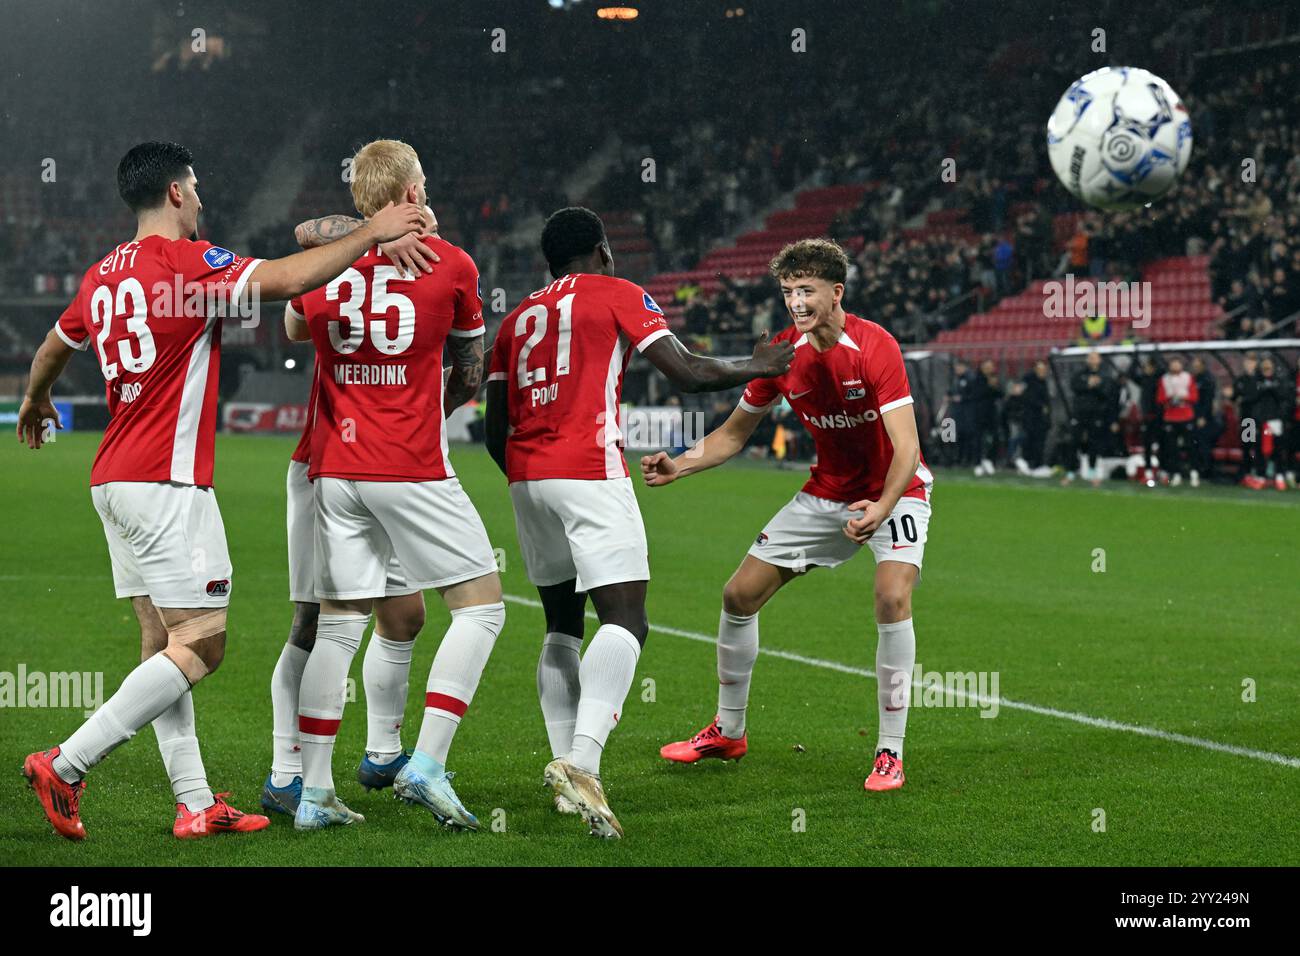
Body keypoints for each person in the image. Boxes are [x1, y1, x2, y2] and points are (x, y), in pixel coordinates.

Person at [16, 141, 423, 841]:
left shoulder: (101, 275)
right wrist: (369, 233)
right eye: (196, 187)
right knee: (201, 648)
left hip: (113, 480)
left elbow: (53, 346)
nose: (202, 199)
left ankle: (195, 802)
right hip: (167, 483)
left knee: (162, 647)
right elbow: (291, 281)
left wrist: (34, 400)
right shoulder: (186, 264)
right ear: (176, 193)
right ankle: (69, 761)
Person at [483, 207, 793, 838]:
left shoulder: (515, 319)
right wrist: (758, 366)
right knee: (626, 618)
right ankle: (584, 762)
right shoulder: (618, 293)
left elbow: (493, 424)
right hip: (589, 469)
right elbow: (687, 373)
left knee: (562, 625)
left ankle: (567, 770)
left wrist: (526, 475)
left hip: (525, 476)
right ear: (601, 249)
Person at [643, 238, 933, 794]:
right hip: (825, 495)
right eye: (788, 291)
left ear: (836, 292)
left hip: (896, 492)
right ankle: (729, 730)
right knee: (738, 595)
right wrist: (678, 466)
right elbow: (732, 434)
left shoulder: (876, 347)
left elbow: (907, 449)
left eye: (806, 291)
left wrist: (882, 506)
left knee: (892, 597)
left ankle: (890, 752)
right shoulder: (781, 354)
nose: (796, 302)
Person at [284, 139, 503, 831]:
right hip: (410, 463)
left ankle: (314, 794)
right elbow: (470, 370)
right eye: (424, 185)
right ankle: (427, 763)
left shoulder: (321, 270)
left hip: (336, 471)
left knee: (340, 629)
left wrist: (359, 244)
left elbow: (294, 327)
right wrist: (423, 411)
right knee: (481, 607)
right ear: (412, 193)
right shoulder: (454, 265)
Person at [262, 208, 445, 816]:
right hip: (326, 465)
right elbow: (296, 270)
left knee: (407, 615)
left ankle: (383, 751)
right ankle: (288, 773)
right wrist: (371, 237)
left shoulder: (432, 262)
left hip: (394, 468)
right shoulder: (333, 267)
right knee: (313, 624)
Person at [1157, 356, 1199, 487]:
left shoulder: (1188, 377)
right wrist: (1170, 399)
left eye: (1177, 363)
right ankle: (1176, 473)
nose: (1175, 366)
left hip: (1186, 415)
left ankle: (1193, 472)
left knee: (1190, 446)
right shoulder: (1164, 379)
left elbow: (1194, 397)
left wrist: (1182, 398)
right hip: (1170, 416)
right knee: (1172, 448)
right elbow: (1160, 398)